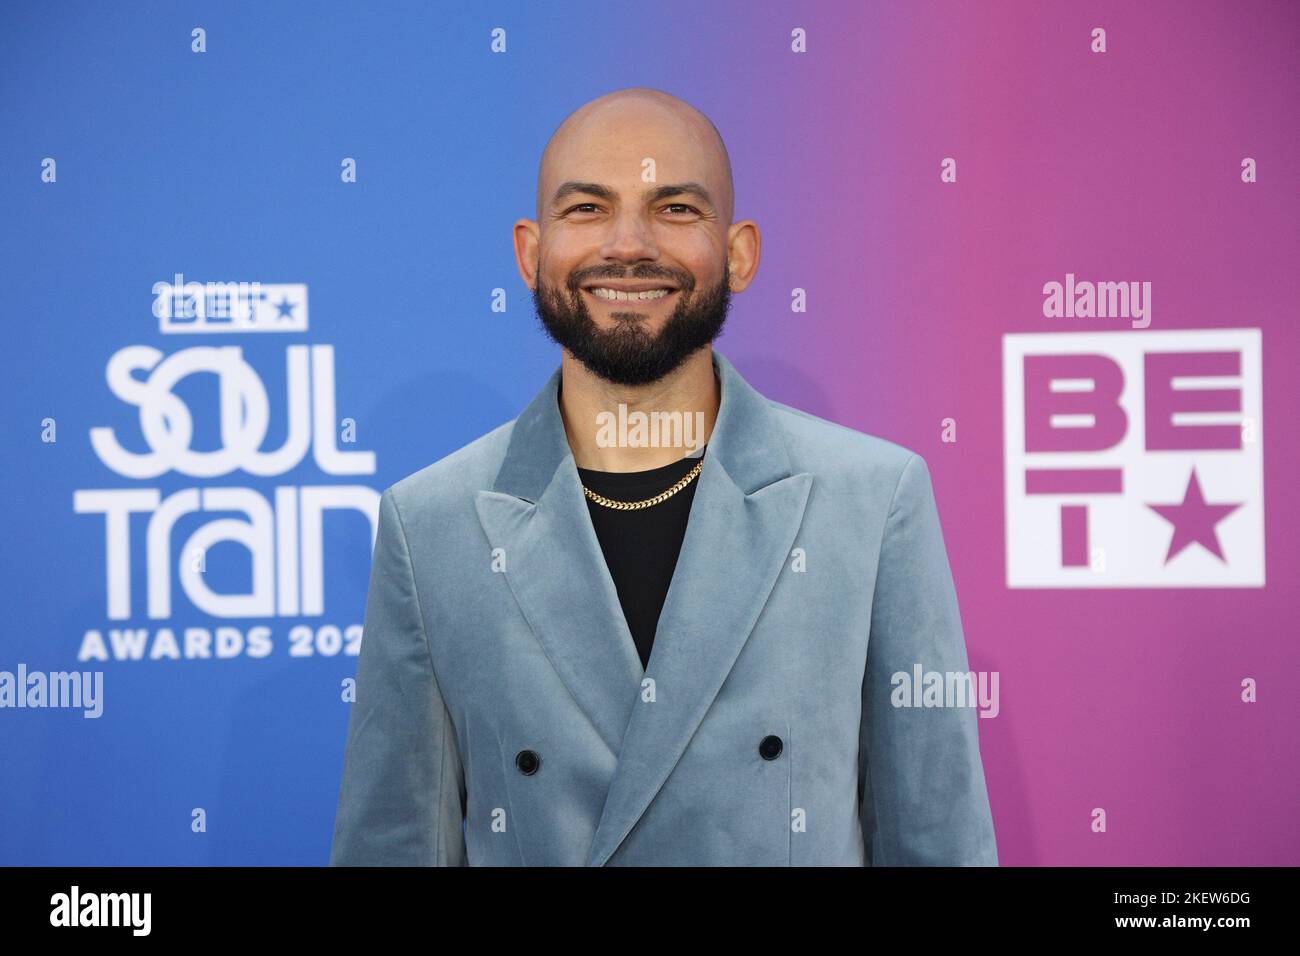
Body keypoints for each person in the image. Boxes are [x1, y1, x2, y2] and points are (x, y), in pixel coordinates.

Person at [329, 87, 998, 866]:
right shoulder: (430, 525)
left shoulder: (872, 501)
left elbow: (936, 838)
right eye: (586, 209)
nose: (628, 245)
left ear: (740, 252)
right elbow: (395, 846)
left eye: (676, 208)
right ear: (529, 252)